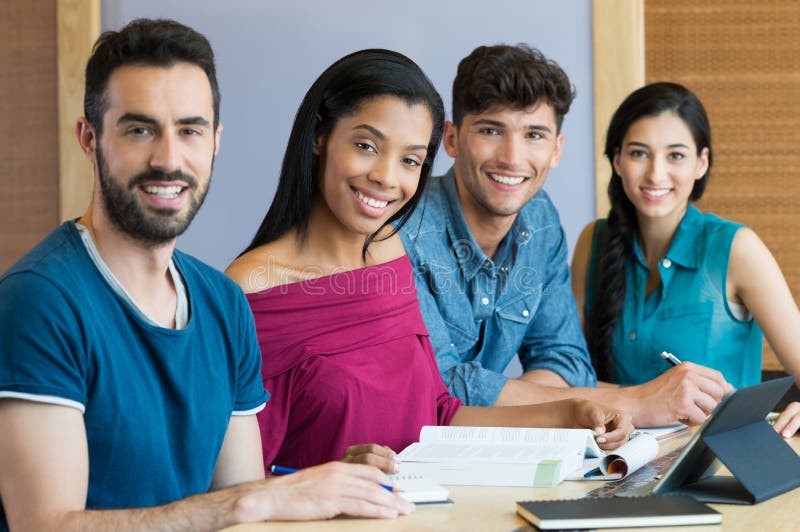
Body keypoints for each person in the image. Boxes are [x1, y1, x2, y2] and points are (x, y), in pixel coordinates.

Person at [0, 19, 416, 531]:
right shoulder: (39, 302)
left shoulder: (222, 302)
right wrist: (248, 502)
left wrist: (319, 483)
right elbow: (45, 527)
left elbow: (241, 499)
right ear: (90, 139)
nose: (169, 159)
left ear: (215, 142)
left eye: (190, 130)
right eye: (139, 129)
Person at [226, 48, 633, 473]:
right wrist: (325, 476)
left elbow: (439, 415)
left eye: (410, 160)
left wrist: (569, 414)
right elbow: (235, 488)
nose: (387, 177)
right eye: (366, 145)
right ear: (319, 137)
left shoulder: (390, 253)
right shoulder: (252, 287)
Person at [398, 44, 731, 428]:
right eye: (491, 130)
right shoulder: (403, 230)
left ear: (557, 149)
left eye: (534, 135)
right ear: (452, 140)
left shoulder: (539, 218)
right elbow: (441, 388)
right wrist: (632, 402)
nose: (512, 157)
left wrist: (543, 410)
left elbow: (564, 360)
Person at [571, 81, 800, 437]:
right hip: (613, 459)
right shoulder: (593, 242)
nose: (655, 174)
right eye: (638, 153)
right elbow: (569, 375)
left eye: (675, 155)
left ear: (700, 163)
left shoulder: (737, 248)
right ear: (617, 160)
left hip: (717, 461)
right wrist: (640, 400)